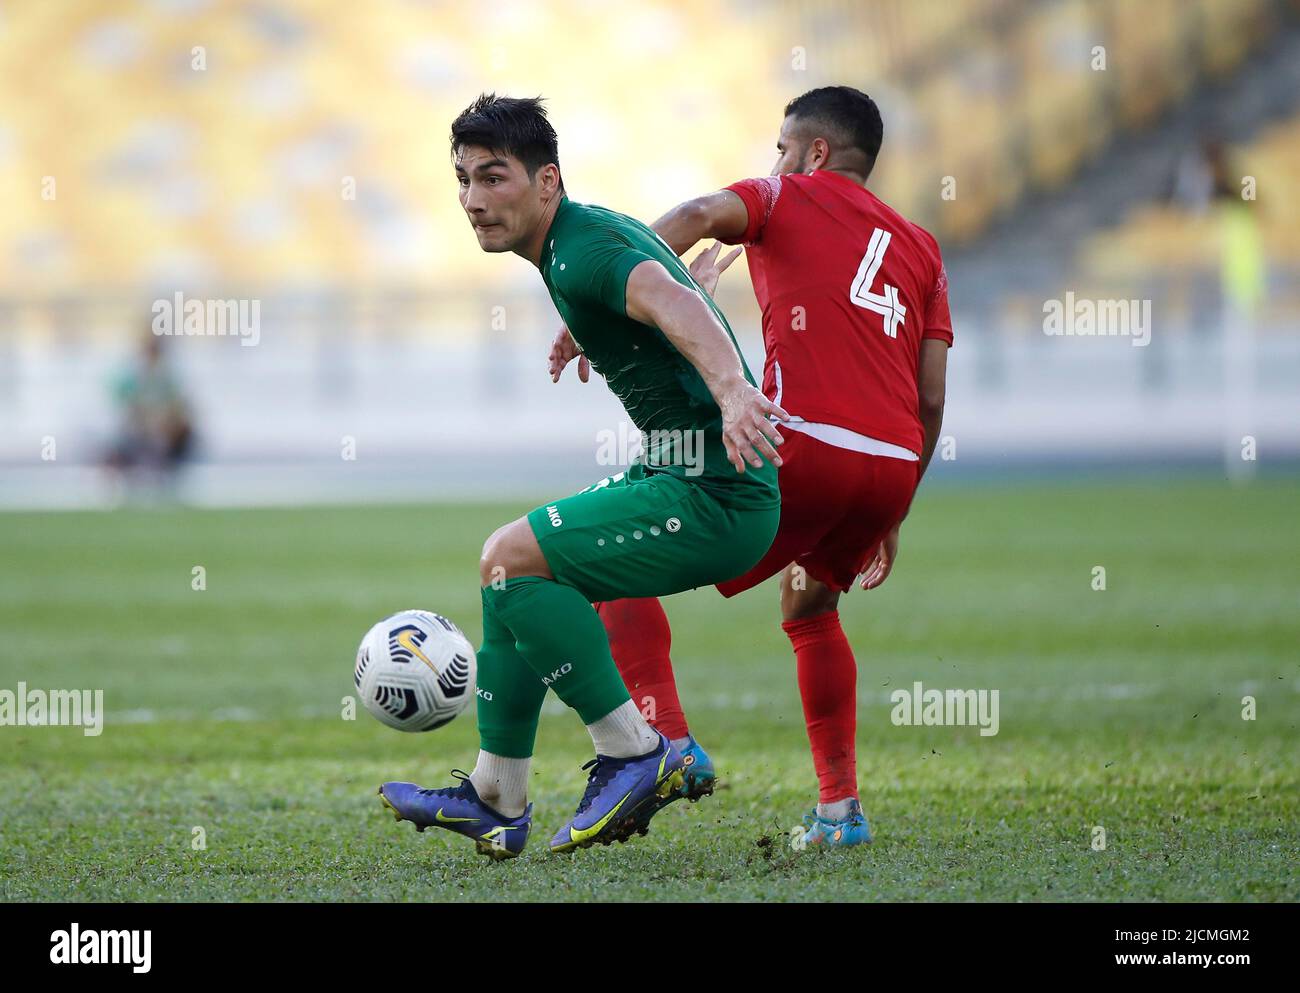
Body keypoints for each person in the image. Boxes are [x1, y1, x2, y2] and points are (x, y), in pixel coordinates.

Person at [379, 94, 787, 858]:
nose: (473, 200)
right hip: (681, 473)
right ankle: (496, 793)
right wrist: (619, 310)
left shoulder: (580, 250)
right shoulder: (577, 242)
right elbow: (659, 275)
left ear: (546, 182)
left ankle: (635, 751)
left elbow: (666, 299)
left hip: (715, 490)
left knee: (511, 557)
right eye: (463, 180)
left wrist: (734, 389)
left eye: (493, 178)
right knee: (506, 577)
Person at [550, 86, 953, 846]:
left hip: (800, 446)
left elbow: (700, 213)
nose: (775, 159)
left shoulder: (784, 194)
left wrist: (623, 291)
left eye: (781, 145)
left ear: (815, 153)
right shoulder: (921, 247)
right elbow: (931, 398)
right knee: (810, 608)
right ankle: (840, 813)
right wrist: (893, 510)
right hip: (891, 464)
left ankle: (666, 740)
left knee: (608, 560)